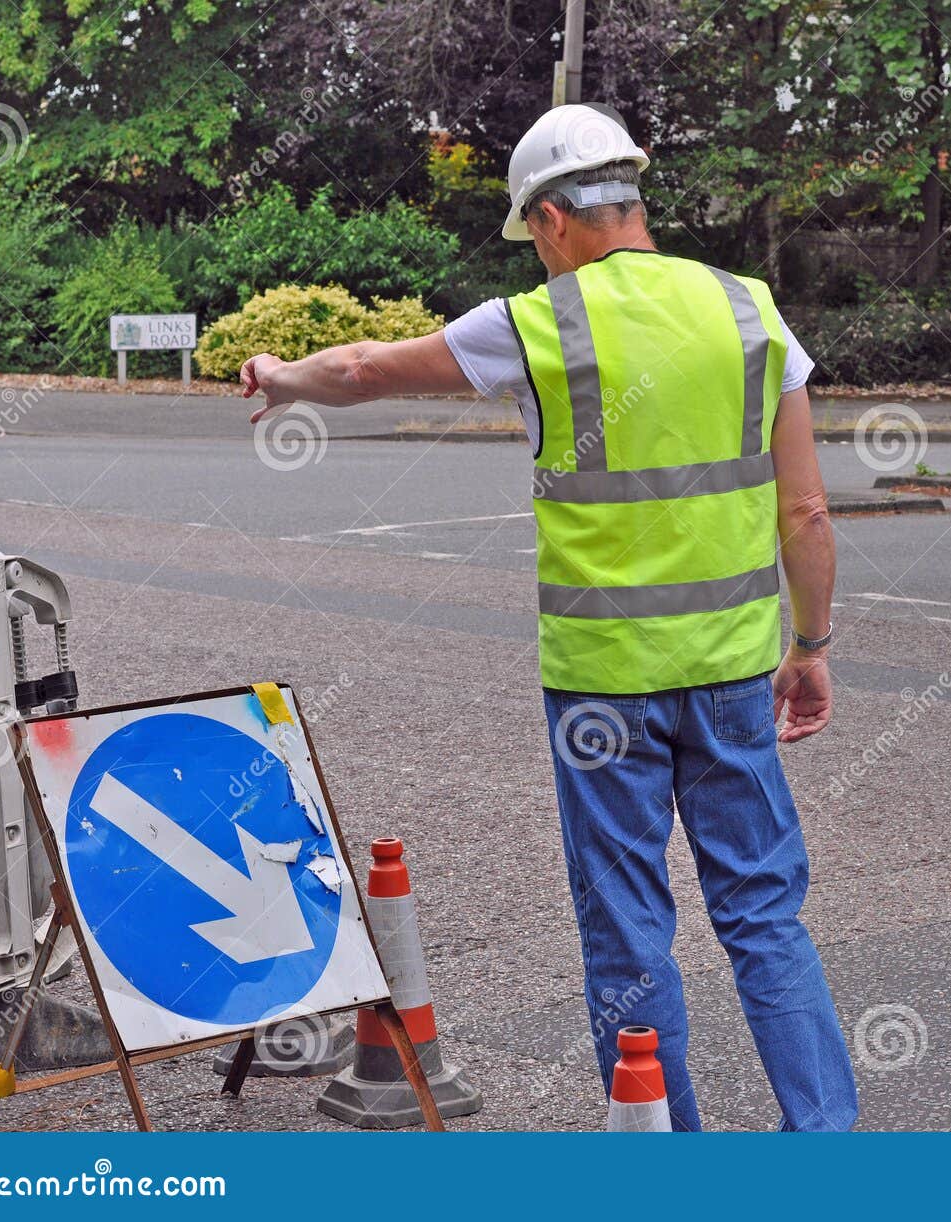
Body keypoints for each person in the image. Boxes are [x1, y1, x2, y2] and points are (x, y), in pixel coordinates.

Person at [237, 104, 857, 1132]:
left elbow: (360, 369)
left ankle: (665, 1151)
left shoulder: (538, 323)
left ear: (558, 217)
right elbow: (807, 509)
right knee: (762, 914)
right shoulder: (750, 313)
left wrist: (278, 375)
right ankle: (822, 1145)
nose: (538, 252)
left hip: (602, 685)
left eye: (533, 233)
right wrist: (812, 646)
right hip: (734, 669)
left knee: (627, 930)